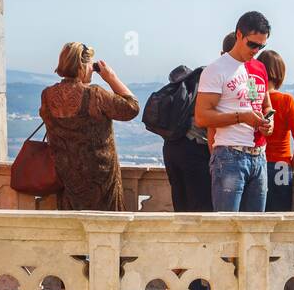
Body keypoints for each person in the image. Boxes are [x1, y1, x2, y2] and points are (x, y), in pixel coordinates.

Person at [40, 42, 139, 210]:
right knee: (108, 230)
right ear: (82, 66)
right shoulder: (95, 95)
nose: (92, 69)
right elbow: (132, 108)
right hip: (101, 180)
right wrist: (111, 78)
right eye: (90, 65)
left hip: (67, 179)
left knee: (73, 230)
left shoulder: (47, 95)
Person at [194, 11, 274, 212]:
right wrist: (242, 117)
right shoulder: (216, 70)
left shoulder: (260, 68)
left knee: (256, 229)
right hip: (230, 155)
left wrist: (268, 121)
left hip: (260, 155)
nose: (256, 50)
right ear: (239, 35)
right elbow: (202, 117)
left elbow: (266, 105)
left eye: (261, 46)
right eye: (252, 44)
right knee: (227, 228)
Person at [257, 50, 294, 212]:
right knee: (279, 219)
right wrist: (289, 168)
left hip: (257, 163)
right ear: (280, 73)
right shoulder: (287, 101)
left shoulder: (254, 100)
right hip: (281, 166)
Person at [160, 65, 213, 211]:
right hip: (195, 149)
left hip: (171, 148)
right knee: (201, 208)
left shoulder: (182, 90)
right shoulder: (204, 90)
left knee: (181, 205)